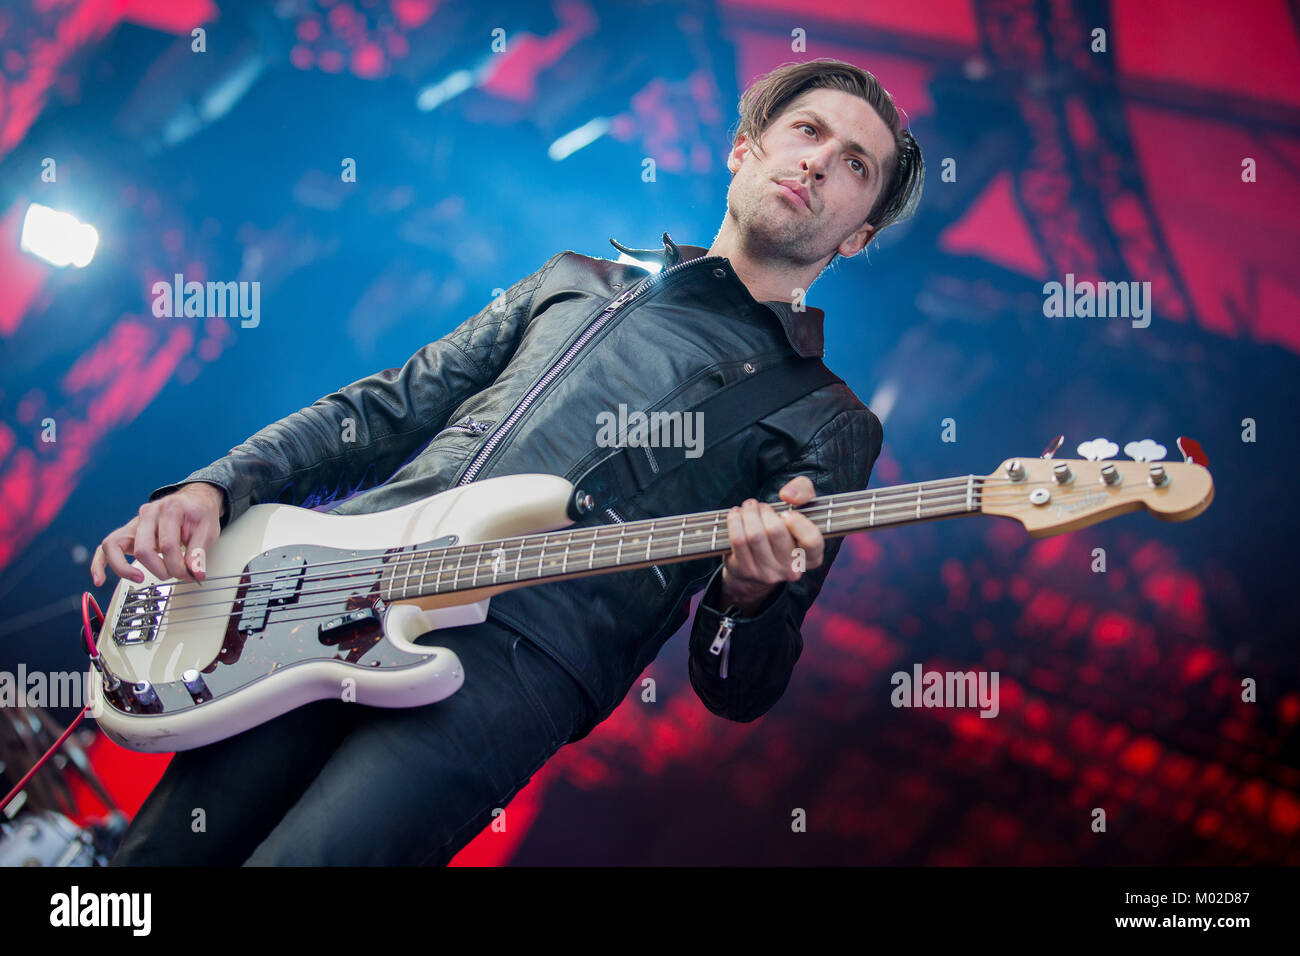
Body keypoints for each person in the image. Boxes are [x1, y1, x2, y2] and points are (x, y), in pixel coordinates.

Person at [93, 57, 923, 865]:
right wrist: (219, 482)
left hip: (510, 673)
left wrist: (748, 596)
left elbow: (741, 688)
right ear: (745, 150)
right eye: (805, 131)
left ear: (858, 234)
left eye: (855, 165)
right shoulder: (580, 278)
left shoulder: (828, 418)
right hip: (333, 590)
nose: (818, 161)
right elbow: (392, 405)